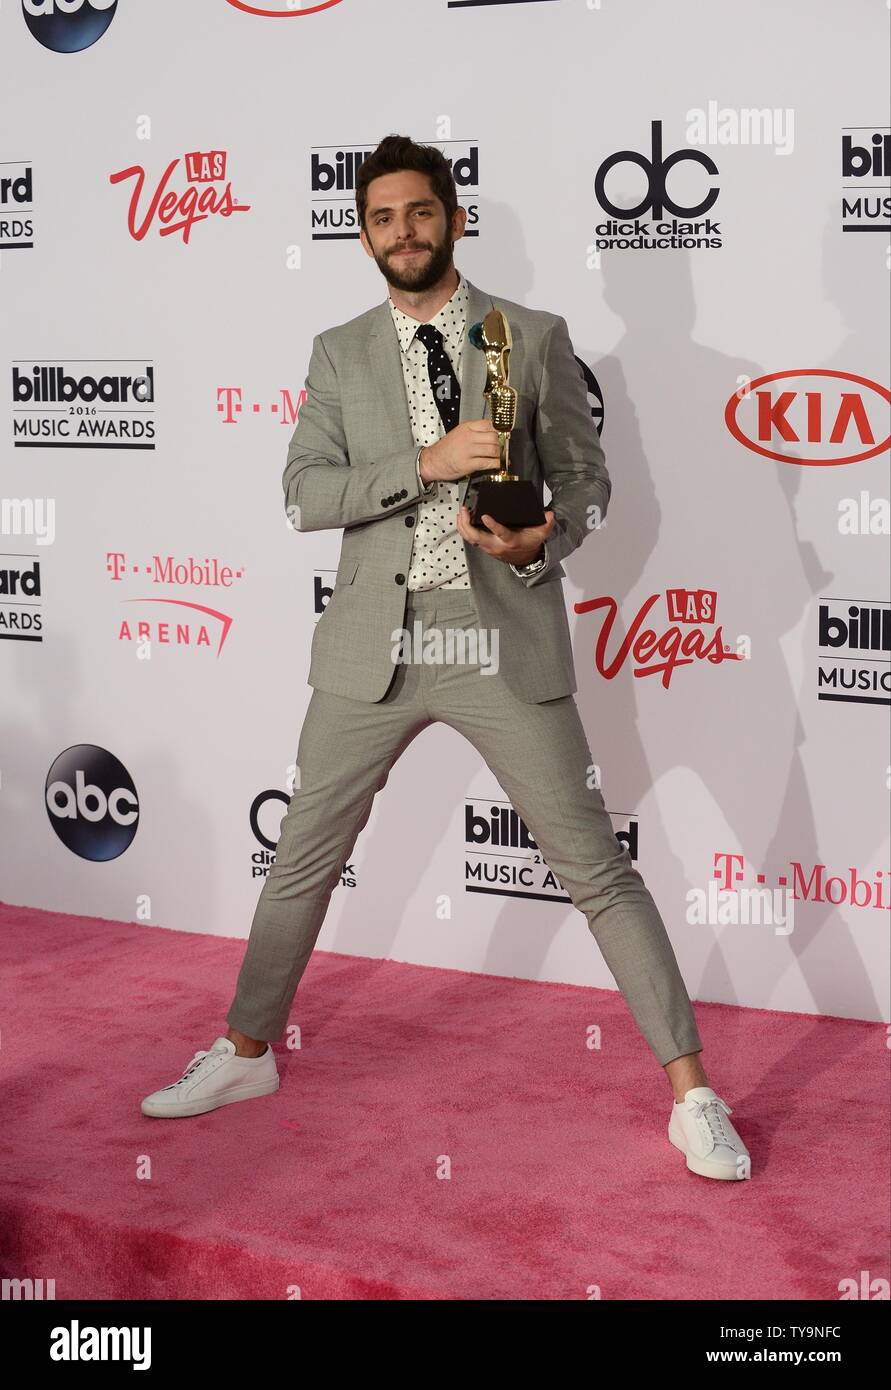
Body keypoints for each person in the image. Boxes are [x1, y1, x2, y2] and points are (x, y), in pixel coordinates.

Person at [141, 134, 751, 1182]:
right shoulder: (339, 352)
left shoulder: (532, 336)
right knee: (303, 856)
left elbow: (588, 483)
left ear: (454, 219)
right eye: (382, 218)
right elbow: (303, 493)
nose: (403, 232)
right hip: (372, 645)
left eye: (420, 212)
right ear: (363, 234)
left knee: (595, 868)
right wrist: (423, 463)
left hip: (499, 635)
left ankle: (693, 1096)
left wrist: (541, 541)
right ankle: (245, 1054)